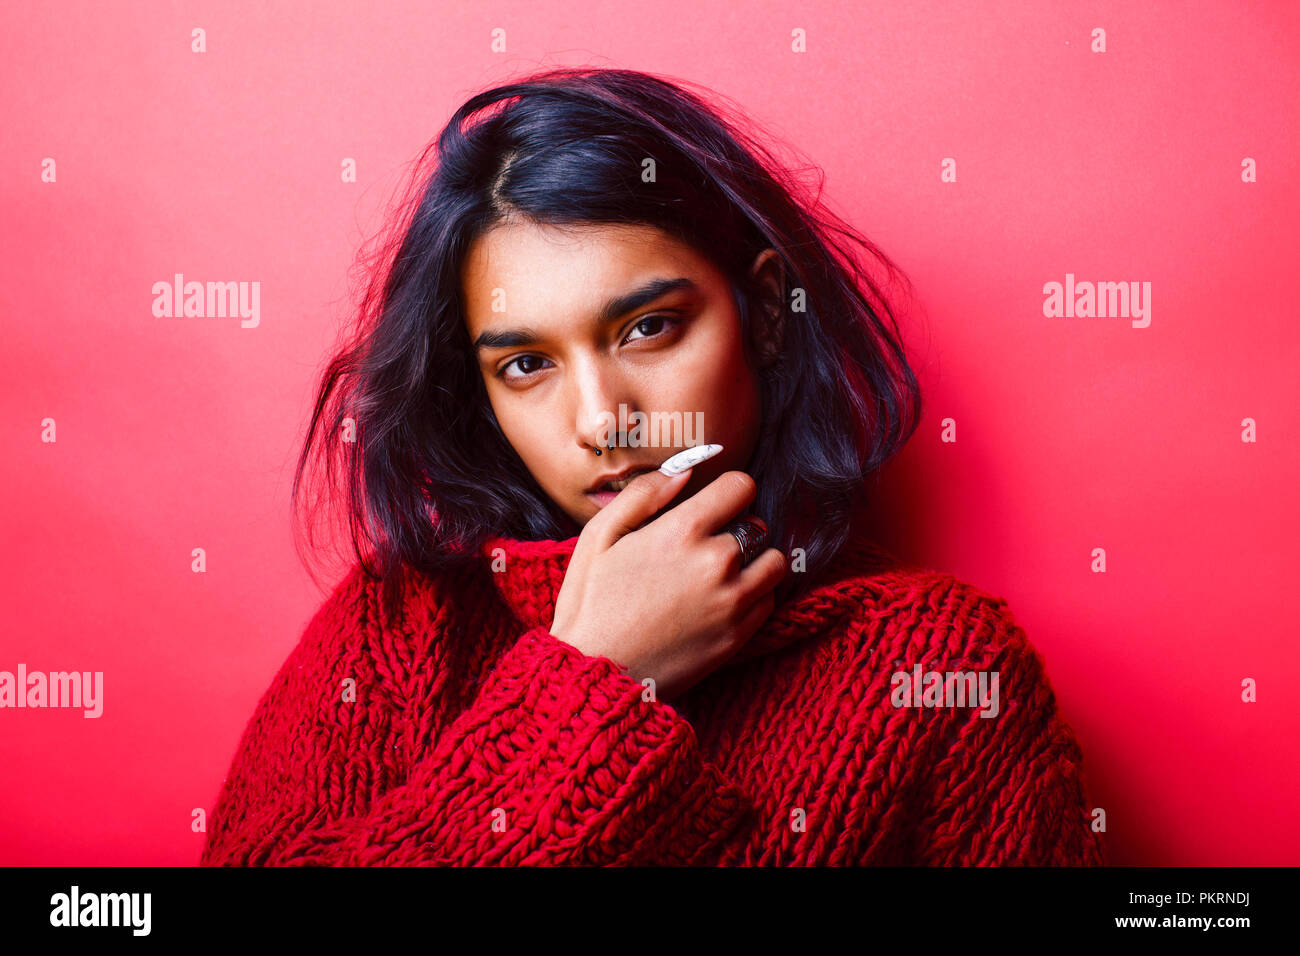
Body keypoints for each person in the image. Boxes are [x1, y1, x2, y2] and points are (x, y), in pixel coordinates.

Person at [200, 67, 1106, 866]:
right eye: (527, 364)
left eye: (648, 328)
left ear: (763, 309)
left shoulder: (938, 671)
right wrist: (593, 681)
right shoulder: (399, 627)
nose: (603, 422)